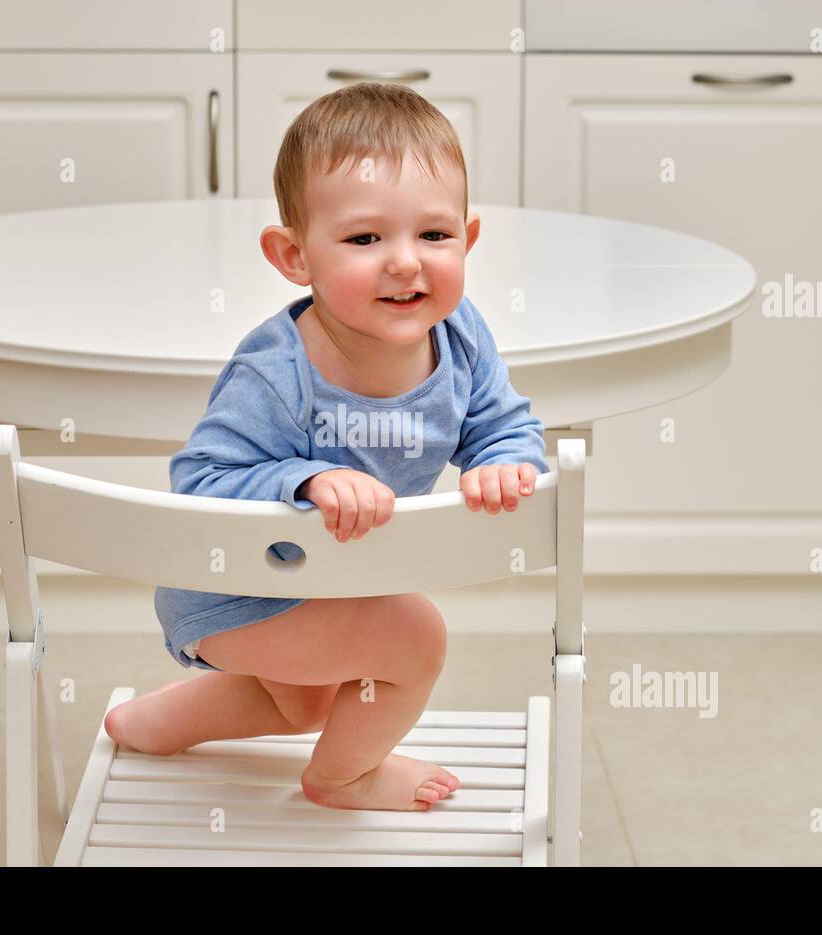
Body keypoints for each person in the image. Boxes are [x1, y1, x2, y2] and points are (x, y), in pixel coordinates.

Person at [104, 82, 548, 812]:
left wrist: (506, 460)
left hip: (323, 584)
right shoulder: (278, 373)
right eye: (365, 239)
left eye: (433, 236)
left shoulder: (460, 334)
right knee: (412, 635)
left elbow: (500, 421)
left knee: (303, 705)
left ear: (467, 240)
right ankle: (344, 778)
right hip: (237, 592)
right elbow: (200, 480)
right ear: (294, 256)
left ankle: (157, 722)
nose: (405, 262)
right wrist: (306, 478)